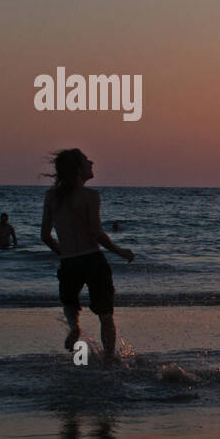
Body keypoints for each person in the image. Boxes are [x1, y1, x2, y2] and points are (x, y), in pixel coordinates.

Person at [40, 149, 134, 363]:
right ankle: (109, 358)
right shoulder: (90, 196)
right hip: (93, 259)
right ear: (79, 170)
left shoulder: (51, 197)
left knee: (69, 302)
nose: (91, 163)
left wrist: (64, 255)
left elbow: (45, 236)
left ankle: (74, 328)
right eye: (86, 161)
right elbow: (96, 233)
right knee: (106, 315)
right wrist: (120, 251)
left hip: (69, 261)